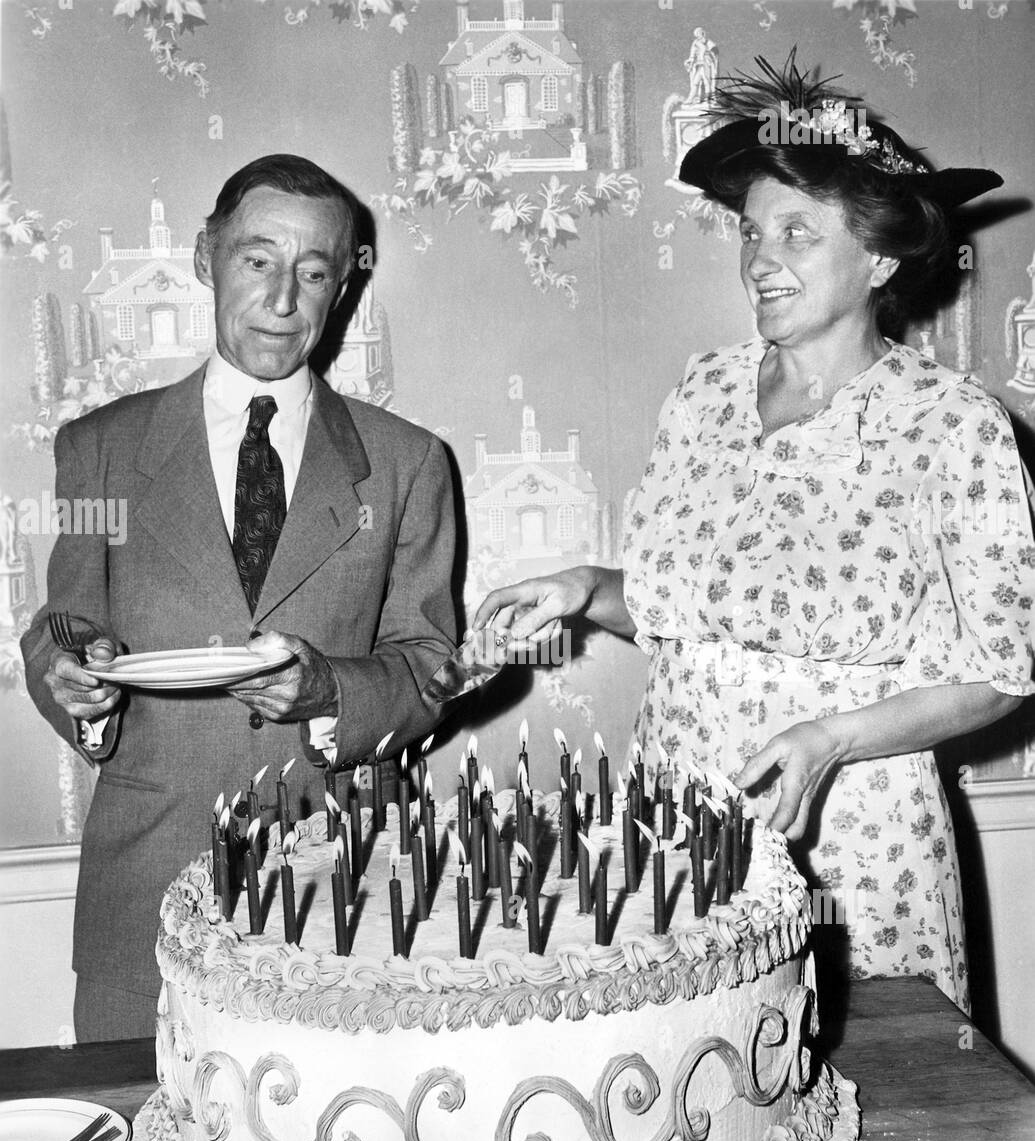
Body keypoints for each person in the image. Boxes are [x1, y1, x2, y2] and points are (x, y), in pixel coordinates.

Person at [474, 55, 1035, 1013]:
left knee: (855, 1111)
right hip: (678, 818)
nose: (759, 260)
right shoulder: (702, 392)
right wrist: (582, 586)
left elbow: (1002, 669)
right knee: (692, 1108)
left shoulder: (950, 424)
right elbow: (679, 612)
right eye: (750, 232)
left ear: (880, 260)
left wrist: (828, 739)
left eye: (797, 234)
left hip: (851, 834)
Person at [22, 155, 458, 1040]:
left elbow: (432, 666)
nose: (284, 298)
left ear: (342, 290)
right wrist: (72, 676)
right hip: (145, 897)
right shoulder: (100, 448)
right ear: (205, 257)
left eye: (314, 271)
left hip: (344, 895)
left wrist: (332, 691)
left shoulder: (408, 462)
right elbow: (64, 624)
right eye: (258, 261)